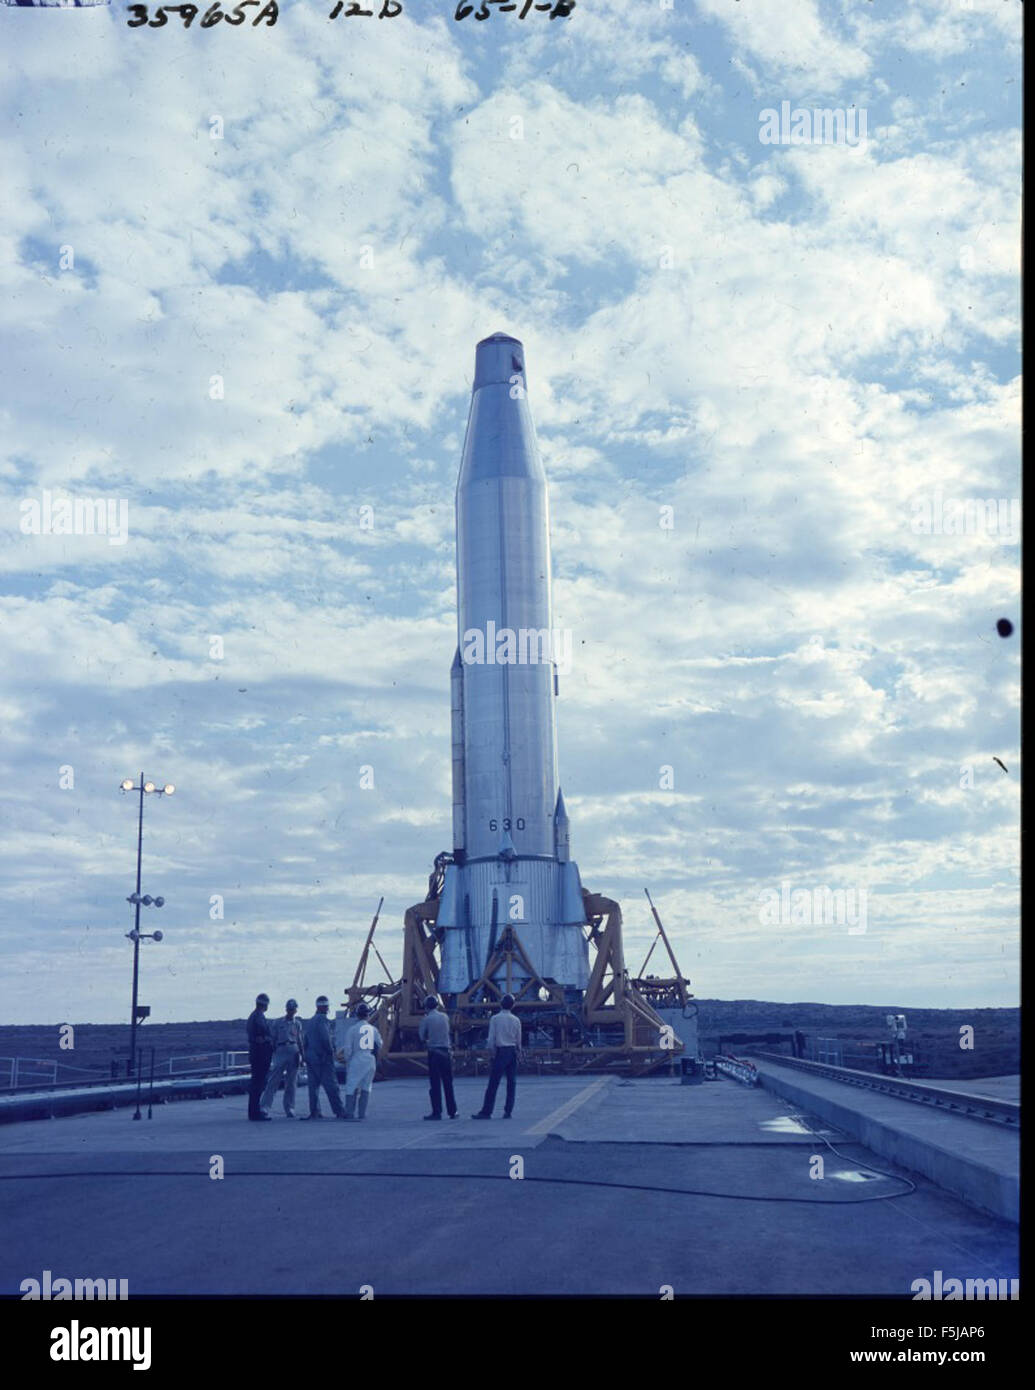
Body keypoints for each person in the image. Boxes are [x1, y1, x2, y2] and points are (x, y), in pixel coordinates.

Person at [472, 993, 521, 1119]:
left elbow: (491, 1039)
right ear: (513, 1005)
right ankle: (508, 1111)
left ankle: (486, 1112)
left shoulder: (495, 1019)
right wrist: (518, 1052)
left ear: (500, 1004)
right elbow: (518, 1040)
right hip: (512, 1052)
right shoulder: (516, 1020)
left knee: (493, 1084)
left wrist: (492, 1053)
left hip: (501, 1052)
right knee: (511, 1083)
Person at [301, 995, 345, 1119]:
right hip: (322, 1058)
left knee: (313, 1087)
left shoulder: (310, 1021)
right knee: (331, 1085)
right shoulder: (323, 1020)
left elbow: (305, 1040)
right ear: (325, 1007)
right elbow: (326, 1038)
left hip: (310, 1058)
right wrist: (331, 1052)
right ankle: (339, 1111)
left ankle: (315, 1112)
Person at [260, 998, 304, 1117]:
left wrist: (302, 1056)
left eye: (293, 1009)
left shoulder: (297, 1024)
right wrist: (275, 1053)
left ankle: (289, 1108)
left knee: (291, 1082)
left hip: (294, 1051)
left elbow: (300, 1041)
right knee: (273, 1080)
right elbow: (272, 1039)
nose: (291, 1011)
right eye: (289, 1009)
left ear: (296, 1010)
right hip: (281, 1050)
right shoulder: (278, 1023)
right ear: (286, 1009)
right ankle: (265, 1107)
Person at [341, 1002, 382, 1120]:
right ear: (368, 1015)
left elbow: (348, 1049)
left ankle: (349, 1113)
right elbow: (380, 1043)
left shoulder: (352, 1030)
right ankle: (361, 1114)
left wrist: (347, 1060)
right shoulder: (373, 1029)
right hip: (369, 1059)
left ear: (357, 1015)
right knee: (366, 1087)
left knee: (351, 1086)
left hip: (357, 1059)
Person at [419, 994, 457, 1120]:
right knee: (448, 1084)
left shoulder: (426, 1019)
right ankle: (453, 1111)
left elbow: (421, 1036)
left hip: (434, 1053)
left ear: (426, 1006)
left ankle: (437, 1112)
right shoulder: (445, 1016)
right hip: (446, 1052)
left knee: (435, 1084)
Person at [246, 992, 273, 1121]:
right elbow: (260, 1037)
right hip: (260, 1055)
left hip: (258, 1054)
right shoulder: (258, 1017)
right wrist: (268, 1039)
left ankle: (254, 1111)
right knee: (258, 1084)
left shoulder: (255, 1016)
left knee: (257, 1084)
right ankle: (255, 1113)